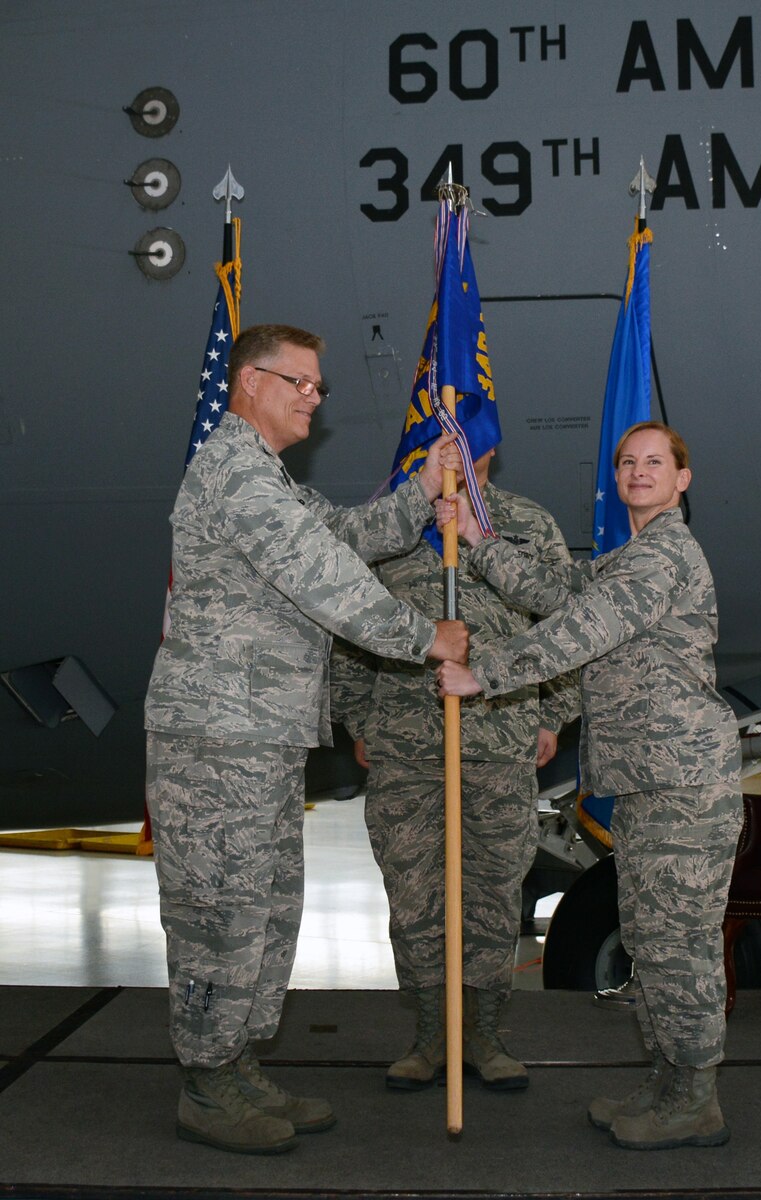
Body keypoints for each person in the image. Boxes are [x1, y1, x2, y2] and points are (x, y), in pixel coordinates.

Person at [144, 324, 468, 1155]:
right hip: (217, 734)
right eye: (300, 382)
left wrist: (414, 498)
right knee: (220, 910)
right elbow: (320, 578)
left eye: (319, 387)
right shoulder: (231, 474)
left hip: (259, 734)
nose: (313, 399)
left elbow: (340, 540)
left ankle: (241, 1062)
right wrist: (422, 636)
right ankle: (208, 1083)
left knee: (265, 909)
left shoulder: (270, 479)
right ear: (248, 382)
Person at [436, 422, 742, 1150]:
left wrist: (487, 674)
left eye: (655, 463)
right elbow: (560, 589)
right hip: (650, 782)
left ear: (681, 480)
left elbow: (583, 626)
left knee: (678, 945)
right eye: (628, 463)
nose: (640, 473)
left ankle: (694, 1098)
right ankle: (669, 1082)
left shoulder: (663, 557)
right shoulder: (630, 558)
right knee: (650, 938)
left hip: (680, 782)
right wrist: (480, 544)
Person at [331, 448, 578, 1091]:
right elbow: (349, 630)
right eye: (443, 434)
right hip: (406, 745)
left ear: (492, 445)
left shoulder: (527, 524)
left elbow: (570, 623)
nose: (457, 446)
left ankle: (485, 1035)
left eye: (471, 433)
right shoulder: (392, 525)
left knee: (494, 894)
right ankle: (429, 1037)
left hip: (501, 741)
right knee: (414, 896)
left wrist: (554, 714)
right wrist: (358, 719)